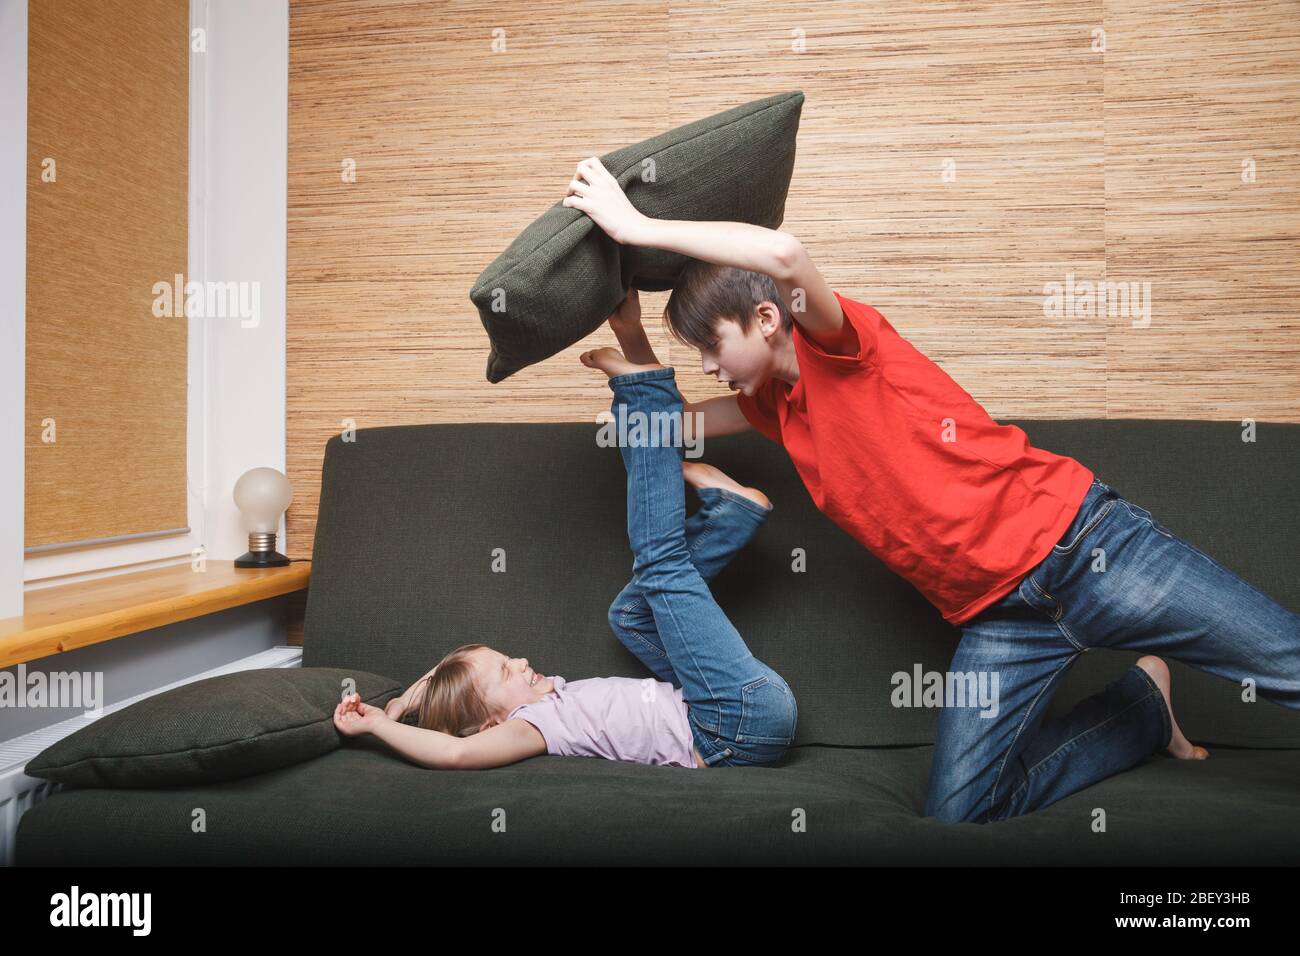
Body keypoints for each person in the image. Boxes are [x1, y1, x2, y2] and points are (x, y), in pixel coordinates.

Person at [559, 154, 1300, 823]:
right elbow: (668, 426)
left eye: (711, 345)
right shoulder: (769, 410)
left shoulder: (843, 346)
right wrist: (631, 342)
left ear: (765, 317)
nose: (710, 367)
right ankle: (1141, 708)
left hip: (1087, 550)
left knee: (1287, 665)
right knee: (961, 812)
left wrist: (637, 223)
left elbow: (785, 254)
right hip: (1004, 620)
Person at [333, 356, 797, 770]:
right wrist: (379, 728)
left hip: (718, 706)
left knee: (629, 616)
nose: (519, 662)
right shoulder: (533, 725)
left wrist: (396, 706)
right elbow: (455, 752)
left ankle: (729, 518)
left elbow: (440, 678)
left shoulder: (546, 696)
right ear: (491, 724)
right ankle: (645, 396)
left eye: (506, 658)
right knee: (660, 566)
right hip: (733, 729)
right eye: (504, 673)